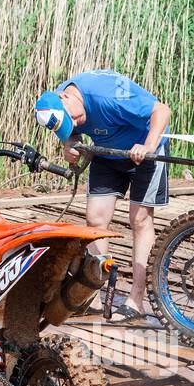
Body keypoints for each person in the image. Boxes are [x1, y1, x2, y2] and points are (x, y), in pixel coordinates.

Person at [34, 70, 171, 323]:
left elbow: (162, 110)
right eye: (68, 124)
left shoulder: (105, 95)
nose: (75, 124)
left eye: (72, 119)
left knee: (140, 219)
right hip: (107, 154)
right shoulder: (58, 105)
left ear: (66, 97)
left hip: (144, 148)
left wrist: (149, 146)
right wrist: (69, 144)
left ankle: (136, 301)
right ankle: (93, 296)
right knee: (95, 219)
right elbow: (71, 133)